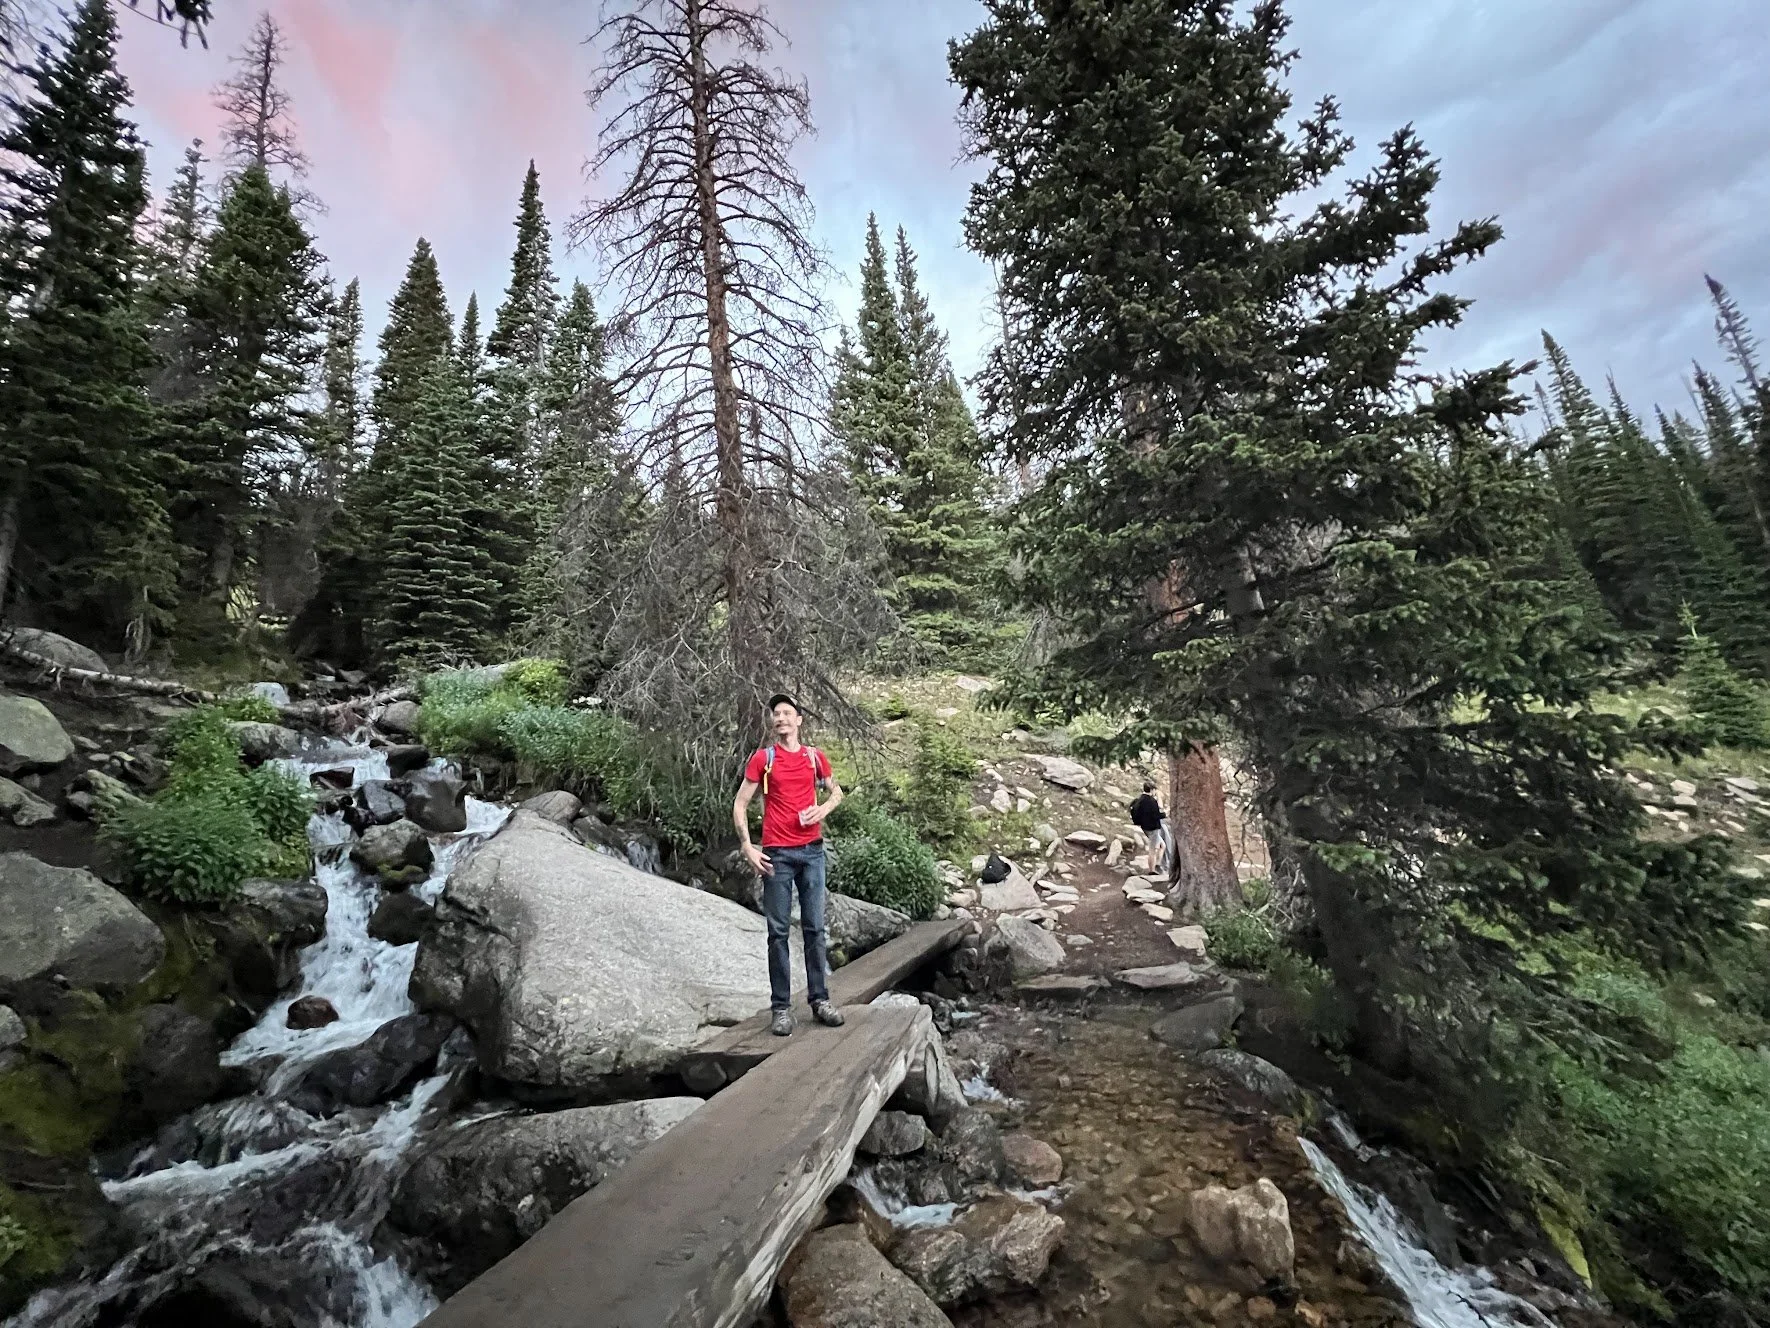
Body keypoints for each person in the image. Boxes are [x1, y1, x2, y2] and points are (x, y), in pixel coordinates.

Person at [733, 693, 847, 1037]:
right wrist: (747, 848)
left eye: (786, 713)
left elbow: (836, 792)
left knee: (814, 929)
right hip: (777, 856)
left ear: (799, 721)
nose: (780, 718)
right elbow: (740, 804)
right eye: (775, 714)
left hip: (812, 851)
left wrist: (823, 809)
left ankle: (820, 1000)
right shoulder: (763, 759)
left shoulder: (815, 758)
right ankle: (781, 1008)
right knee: (778, 933)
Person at [1128, 780, 1171, 876]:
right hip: (1153, 829)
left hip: (1144, 827)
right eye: (1154, 790)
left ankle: (1158, 864)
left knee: (1162, 846)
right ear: (1151, 790)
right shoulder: (1152, 801)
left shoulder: (1139, 800)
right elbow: (1157, 815)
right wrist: (1165, 814)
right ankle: (1152, 870)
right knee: (1152, 850)